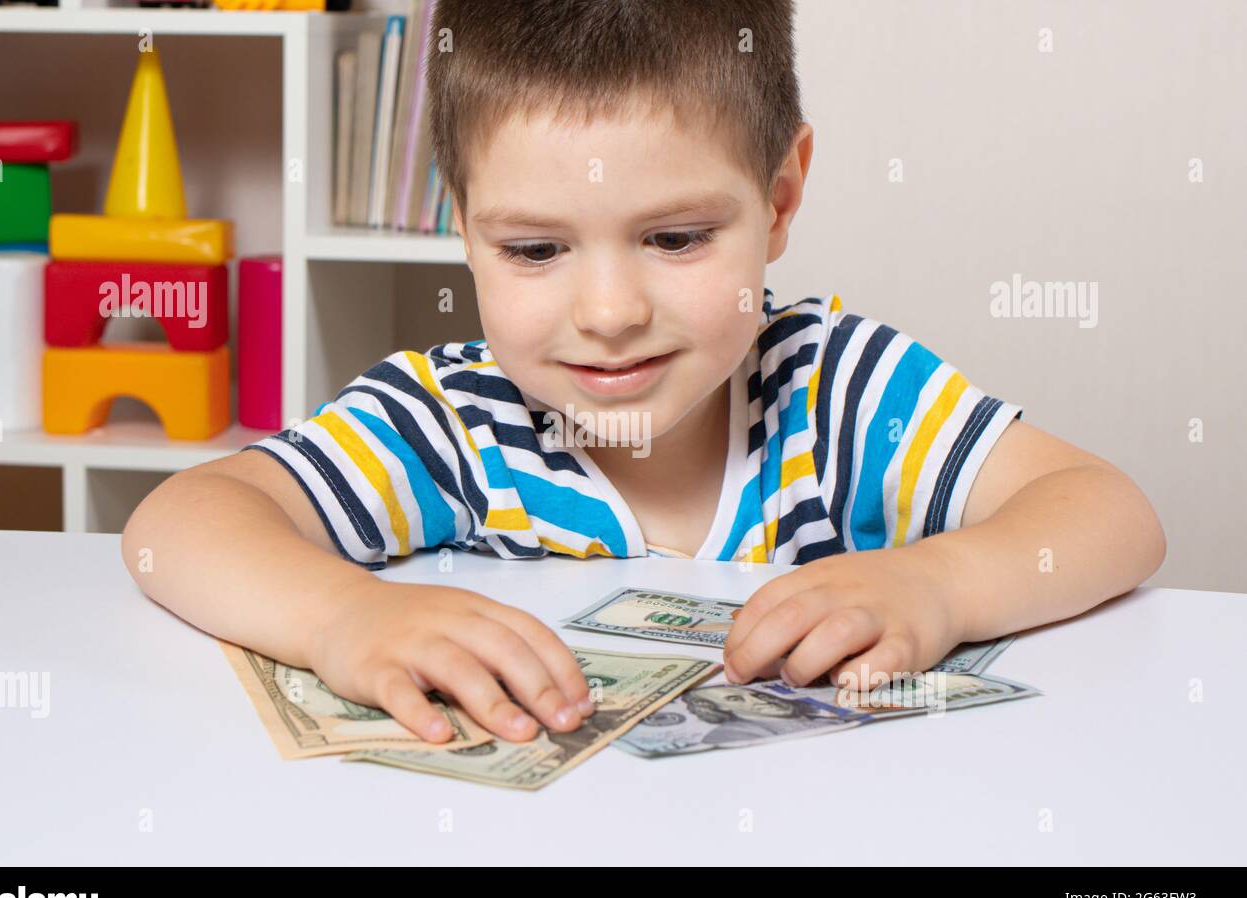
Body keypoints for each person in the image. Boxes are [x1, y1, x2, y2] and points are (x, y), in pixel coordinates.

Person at [122, 0, 1165, 747]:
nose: (610, 312)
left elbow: (1108, 511)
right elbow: (179, 522)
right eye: (535, 250)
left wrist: (936, 583)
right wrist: (341, 616)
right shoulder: (450, 421)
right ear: (462, 227)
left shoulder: (835, 388)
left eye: (673, 237)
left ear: (782, 198)